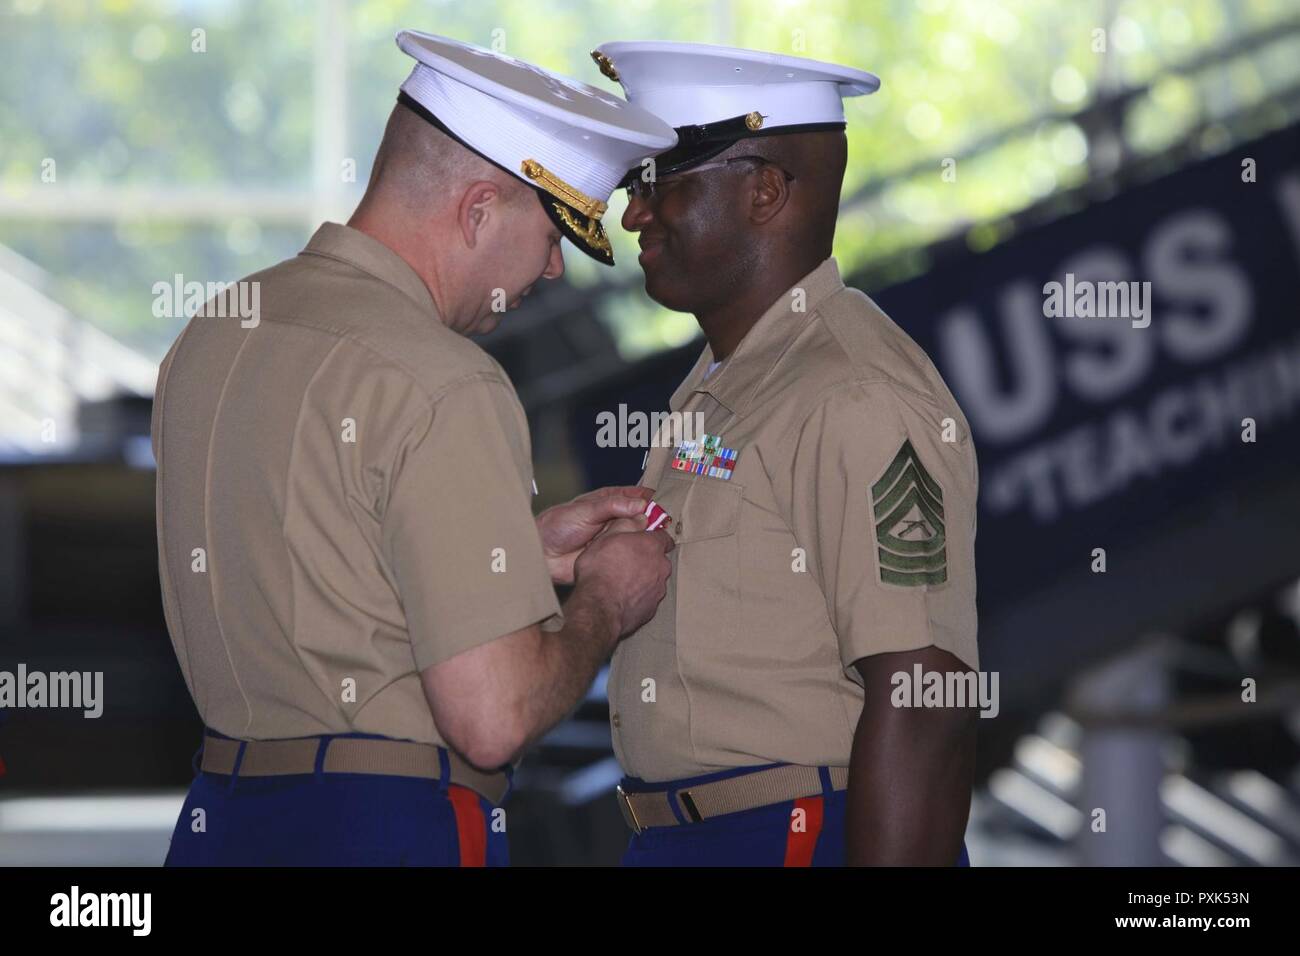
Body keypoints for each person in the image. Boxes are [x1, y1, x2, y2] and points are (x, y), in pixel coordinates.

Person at [153, 30, 677, 866]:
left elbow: (315, 562)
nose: (550, 272)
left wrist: (508, 558)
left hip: (224, 815)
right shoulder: (444, 380)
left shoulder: (219, 330)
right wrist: (606, 602)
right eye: (552, 238)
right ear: (477, 210)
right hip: (385, 825)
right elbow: (492, 718)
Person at [590, 40, 980, 865]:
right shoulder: (733, 381)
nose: (632, 215)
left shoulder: (856, 395)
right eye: (634, 186)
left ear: (765, 190)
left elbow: (923, 701)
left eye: (661, 181)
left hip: (793, 837)